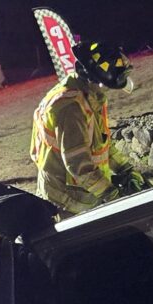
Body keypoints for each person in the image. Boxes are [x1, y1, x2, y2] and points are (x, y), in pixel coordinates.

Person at [30, 36, 142, 214]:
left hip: (84, 193)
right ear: (94, 79)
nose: (107, 92)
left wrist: (124, 168)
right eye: (106, 86)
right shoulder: (71, 108)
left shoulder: (91, 97)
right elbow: (78, 165)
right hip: (67, 201)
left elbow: (102, 144)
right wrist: (111, 194)